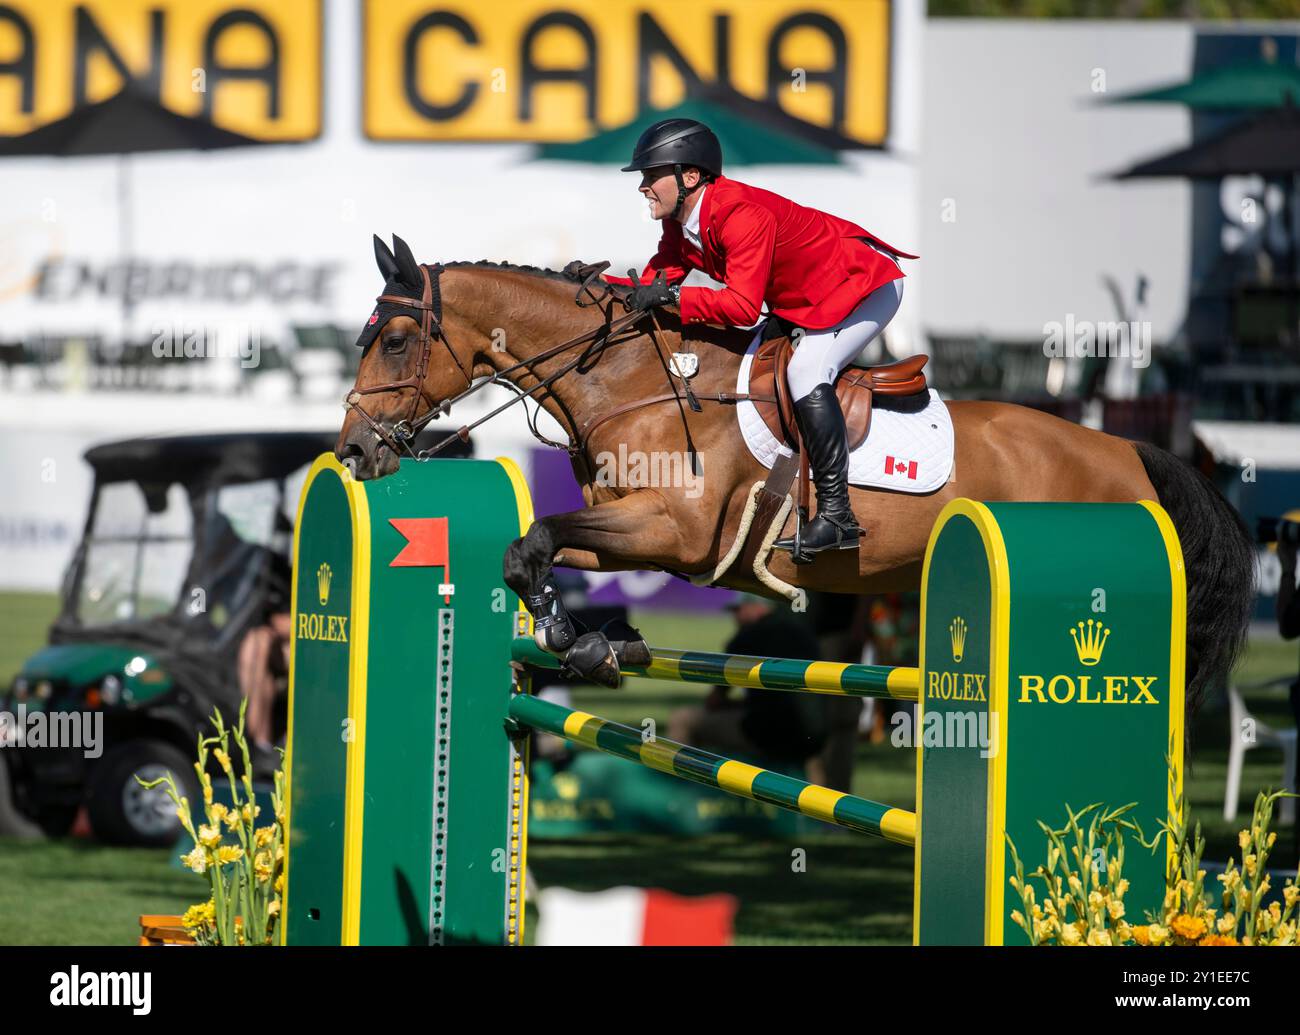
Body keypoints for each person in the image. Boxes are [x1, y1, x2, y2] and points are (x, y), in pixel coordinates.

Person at [606, 118, 917, 559]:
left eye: (651, 175)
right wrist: (599, 286)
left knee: (807, 370)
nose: (643, 186)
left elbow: (741, 308)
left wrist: (673, 295)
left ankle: (837, 516)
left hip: (863, 282)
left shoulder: (738, 213)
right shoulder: (680, 223)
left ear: (689, 176)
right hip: (804, 298)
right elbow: (655, 281)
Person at [668, 594, 829, 769]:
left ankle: (679, 787)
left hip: (767, 734)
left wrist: (736, 704)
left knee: (683, 720)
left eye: (738, 610)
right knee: (804, 740)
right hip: (816, 734)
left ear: (757, 608)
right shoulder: (801, 631)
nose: (735, 617)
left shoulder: (746, 636)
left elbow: (714, 701)